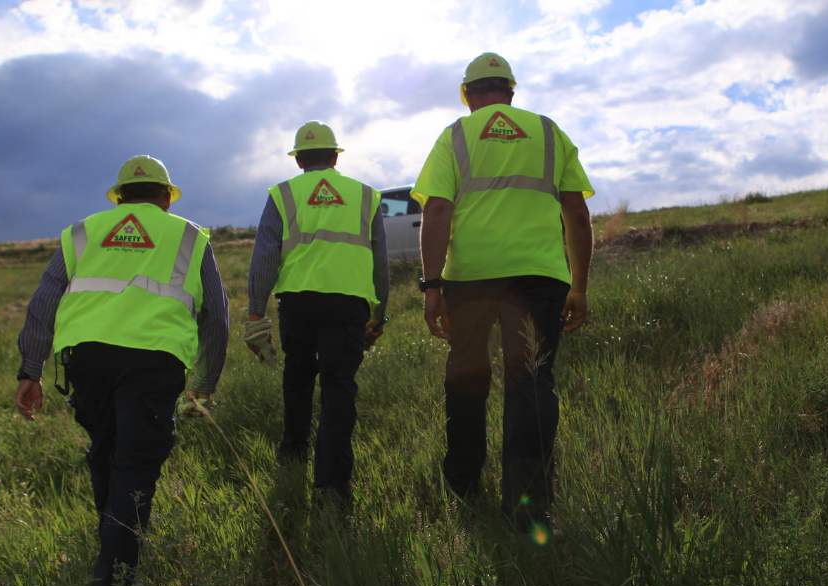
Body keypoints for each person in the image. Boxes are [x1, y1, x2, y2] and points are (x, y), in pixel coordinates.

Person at [13, 155, 229, 586]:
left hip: (87, 361)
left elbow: (43, 301)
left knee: (107, 453)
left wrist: (30, 369)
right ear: (166, 197)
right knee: (133, 467)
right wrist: (204, 383)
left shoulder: (83, 232)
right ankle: (112, 585)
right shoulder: (188, 235)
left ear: (119, 198)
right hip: (154, 361)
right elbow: (217, 317)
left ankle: (110, 550)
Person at [410, 53, 594, 536]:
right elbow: (577, 215)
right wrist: (578, 286)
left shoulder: (455, 135)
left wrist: (432, 286)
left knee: (467, 377)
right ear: (511, 92)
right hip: (539, 278)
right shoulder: (549, 133)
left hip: (470, 278)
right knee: (530, 382)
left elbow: (436, 212)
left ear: (467, 95)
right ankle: (528, 510)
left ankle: (463, 489)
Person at [246, 120, 389, 506]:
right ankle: (333, 485)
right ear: (335, 157)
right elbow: (380, 261)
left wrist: (256, 312)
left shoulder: (283, 195)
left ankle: (292, 455)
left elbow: (265, 254)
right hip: (348, 304)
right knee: (338, 386)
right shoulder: (365, 196)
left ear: (299, 161)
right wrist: (379, 312)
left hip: (298, 303)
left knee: (298, 376)